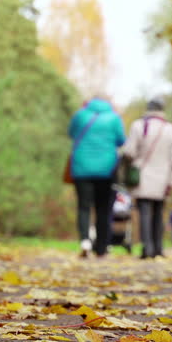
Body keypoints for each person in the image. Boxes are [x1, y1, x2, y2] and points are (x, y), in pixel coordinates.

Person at [122, 97, 172, 259]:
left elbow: (129, 152)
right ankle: (158, 248)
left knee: (144, 214)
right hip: (163, 179)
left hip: (143, 177)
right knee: (158, 213)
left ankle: (146, 247)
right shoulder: (171, 130)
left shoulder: (138, 126)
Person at [68, 96, 125, 258]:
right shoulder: (114, 118)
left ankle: (85, 241)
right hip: (107, 169)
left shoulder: (80, 115)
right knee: (103, 209)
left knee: (84, 206)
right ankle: (101, 247)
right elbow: (121, 141)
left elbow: (71, 133)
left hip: (81, 168)